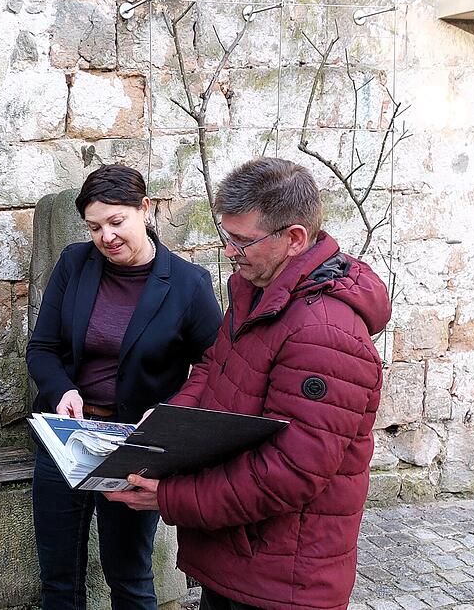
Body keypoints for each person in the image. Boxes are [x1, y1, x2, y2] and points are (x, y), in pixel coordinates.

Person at [106, 158, 392, 610]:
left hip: (283, 577)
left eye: (242, 241)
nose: (229, 252)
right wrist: (166, 424)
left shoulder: (324, 333)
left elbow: (292, 471)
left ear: (294, 239)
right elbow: (213, 369)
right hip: (239, 553)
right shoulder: (257, 290)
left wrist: (172, 497)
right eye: (227, 236)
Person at [26, 164, 222, 610]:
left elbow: (214, 363)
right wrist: (62, 391)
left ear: (144, 209)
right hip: (66, 437)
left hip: (134, 446)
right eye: (94, 227)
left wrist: (171, 414)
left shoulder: (187, 284)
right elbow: (42, 347)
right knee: (58, 581)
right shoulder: (75, 263)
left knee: (130, 577)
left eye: (116, 222)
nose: (106, 237)